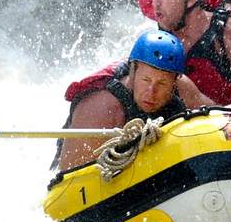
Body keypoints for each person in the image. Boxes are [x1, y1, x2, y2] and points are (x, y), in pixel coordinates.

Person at [54, 30, 187, 170]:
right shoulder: (103, 109)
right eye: (145, 80)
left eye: (162, 84)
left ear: (174, 82)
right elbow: (69, 177)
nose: (151, 92)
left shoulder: (182, 87)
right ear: (133, 71)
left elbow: (211, 116)